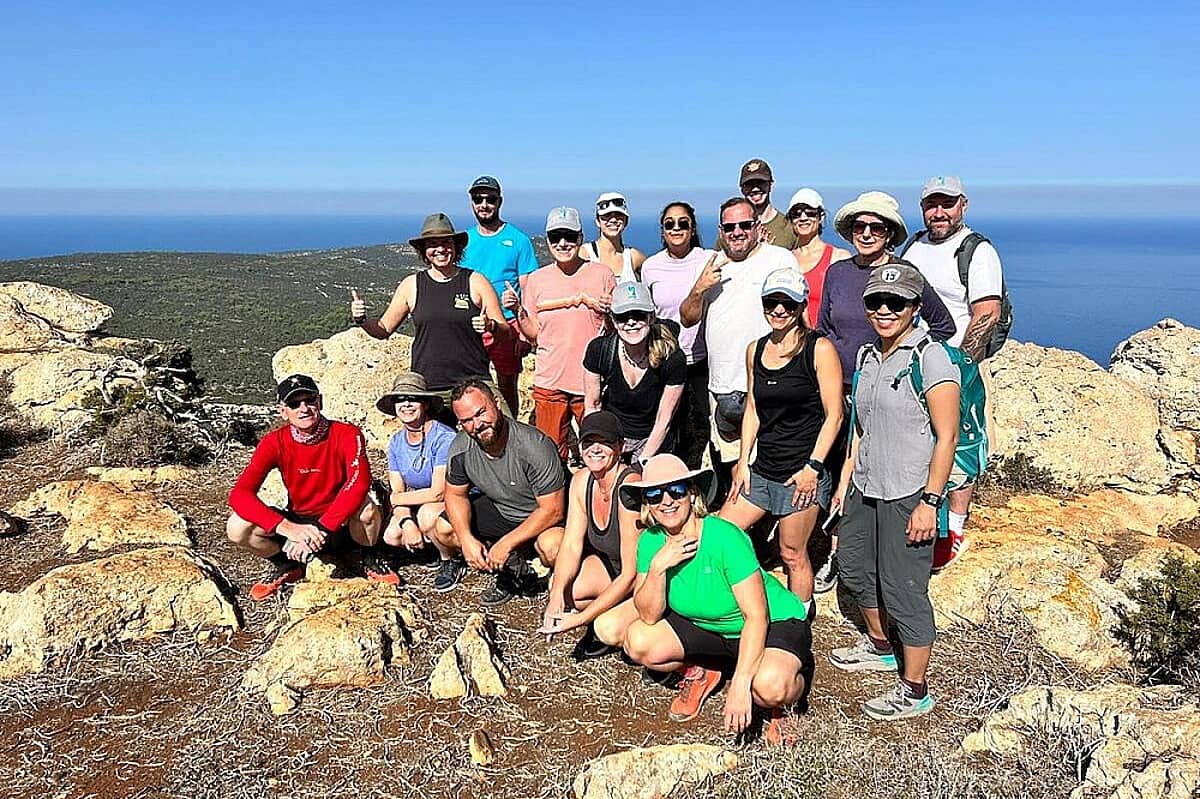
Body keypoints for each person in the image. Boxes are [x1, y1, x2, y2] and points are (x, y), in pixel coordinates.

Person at [600, 454, 813, 744]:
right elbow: (648, 615)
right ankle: (703, 669)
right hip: (708, 627)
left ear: (692, 494)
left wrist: (740, 683)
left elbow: (756, 616)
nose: (666, 501)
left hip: (770, 623)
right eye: (654, 494)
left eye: (676, 490)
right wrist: (658, 567)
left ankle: (785, 703)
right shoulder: (651, 541)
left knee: (769, 687)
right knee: (638, 641)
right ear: (646, 504)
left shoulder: (724, 537)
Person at [829, 264, 960, 721]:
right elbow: (860, 429)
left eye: (896, 303)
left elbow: (947, 437)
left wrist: (930, 501)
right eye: (875, 302)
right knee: (854, 567)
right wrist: (846, 481)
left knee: (903, 587)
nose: (884, 310)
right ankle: (881, 645)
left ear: (915, 308)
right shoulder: (868, 356)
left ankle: (914, 687)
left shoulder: (931, 358)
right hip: (866, 484)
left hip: (908, 490)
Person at [813, 192, 955, 592]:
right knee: (835, 473)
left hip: (886, 393)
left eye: (877, 227)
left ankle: (857, 558)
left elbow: (941, 326)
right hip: (837, 389)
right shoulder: (839, 273)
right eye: (860, 226)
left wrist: (905, 364)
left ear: (890, 233)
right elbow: (825, 328)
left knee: (870, 473)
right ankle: (837, 552)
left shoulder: (904, 273)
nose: (867, 233)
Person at [720, 269, 844, 619]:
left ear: (801, 304)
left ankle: (796, 620)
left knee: (791, 553)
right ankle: (738, 604)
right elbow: (754, 409)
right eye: (771, 302)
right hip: (763, 469)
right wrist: (743, 461)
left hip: (802, 471)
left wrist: (813, 468)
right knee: (722, 532)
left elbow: (834, 415)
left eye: (786, 303)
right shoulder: (755, 350)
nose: (778, 310)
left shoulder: (818, 350)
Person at [900, 176, 1007, 569]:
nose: (938, 212)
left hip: (958, 363)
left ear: (963, 204)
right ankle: (928, 513)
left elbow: (986, 313)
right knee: (924, 440)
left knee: (962, 442)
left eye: (947, 204)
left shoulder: (976, 251)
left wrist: (961, 364)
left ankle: (955, 526)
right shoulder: (913, 246)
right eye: (932, 204)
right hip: (915, 362)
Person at [679, 197, 799, 500]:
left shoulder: (779, 259)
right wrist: (700, 287)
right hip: (722, 387)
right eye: (730, 227)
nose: (737, 232)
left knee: (773, 468)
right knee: (736, 470)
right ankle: (750, 540)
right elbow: (687, 317)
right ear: (721, 229)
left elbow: (798, 315)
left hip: (768, 386)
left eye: (745, 225)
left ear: (757, 227)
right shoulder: (714, 263)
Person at [227, 374, 382, 600]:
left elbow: (359, 482)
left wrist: (322, 528)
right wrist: (288, 528)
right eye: (294, 404)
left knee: (367, 508)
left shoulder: (347, 434)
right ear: (282, 411)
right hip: (300, 520)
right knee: (237, 527)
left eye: (309, 400)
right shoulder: (273, 443)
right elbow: (240, 495)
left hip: (341, 522)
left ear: (320, 402)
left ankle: (370, 557)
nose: (304, 408)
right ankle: (286, 565)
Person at [350, 212, 511, 417]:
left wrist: (491, 326)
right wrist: (362, 320)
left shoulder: (475, 281)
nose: (440, 249)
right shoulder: (412, 285)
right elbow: (383, 329)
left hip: (475, 382)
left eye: (446, 242)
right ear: (424, 250)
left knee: (506, 433)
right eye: (433, 244)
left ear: (455, 246)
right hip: (429, 389)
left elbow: (505, 332)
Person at [438, 379, 567, 605]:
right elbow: (454, 495)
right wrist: (467, 539)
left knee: (553, 546)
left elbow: (553, 510)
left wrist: (506, 543)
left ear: (496, 403)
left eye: (481, 413)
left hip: (541, 516)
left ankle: (558, 582)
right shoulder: (461, 448)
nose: (477, 424)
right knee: (443, 528)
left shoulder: (534, 445)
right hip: (503, 510)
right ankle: (513, 571)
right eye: (467, 420)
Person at [537, 411, 642, 661]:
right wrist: (555, 599)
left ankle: (627, 614)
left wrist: (579, 619)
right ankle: (614, 606)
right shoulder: (582, 480)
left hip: (640, 578)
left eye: (604, 442)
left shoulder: (629, 485)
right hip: (609, 566)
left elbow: (631, 573)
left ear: (620, 446)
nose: (595, 449)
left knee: (605, 628)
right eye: (588, 442)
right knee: (561, 589)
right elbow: (572, 544)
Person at [517, 207, 617, 461]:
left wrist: (611, 312)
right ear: (548, 239)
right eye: (556, 236)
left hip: (591, 383)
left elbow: (617, 330)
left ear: (580, 238)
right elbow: (534, 335)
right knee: (550, 455)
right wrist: (517, 311)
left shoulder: (602, 274)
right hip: (549, 381)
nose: (563, 243)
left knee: (598, 452)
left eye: (569, 236)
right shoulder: (537, 280)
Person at [460, 175, 540, 417]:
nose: (484, 204)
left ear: (499, 201)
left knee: (507, 385)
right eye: (478, 199)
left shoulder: (518, 240)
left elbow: (530, 288)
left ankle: (510, 432)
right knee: (472, 386)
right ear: (472, 202)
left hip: (507, 323)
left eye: (490, 199)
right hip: (471, 324)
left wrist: (526, 333)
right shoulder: (464, 241)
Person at [640, 201, 712, 468]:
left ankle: (699, 491)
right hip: (665, 361)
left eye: (683, 223)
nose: (676, 228)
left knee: (701, 430)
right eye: (670, 224)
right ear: (662, 231)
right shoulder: (651, 267)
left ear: (692, 228)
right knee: (667, 428)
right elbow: (650, 314)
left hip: (701, 361)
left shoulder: (707, 259)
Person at [583, 282, 686, 464]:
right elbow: (593, 405)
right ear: (614, 321)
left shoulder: (672, 358)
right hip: (613, 436)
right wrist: (599, 445)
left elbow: (664, 419)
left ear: (651, 318)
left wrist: (643, 461)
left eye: (638, 315)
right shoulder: (599, 350)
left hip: (654, 437)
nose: (631, 322)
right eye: (623, 317)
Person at [375, 372, 458, 583]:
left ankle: (449, 559)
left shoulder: (444, 437)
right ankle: (427, 547)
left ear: (426, 404)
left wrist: (393, 501)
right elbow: (398, 490)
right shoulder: (396, 442)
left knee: (427, 514)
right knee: (392, 535)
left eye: (413, 398)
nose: (406, 404)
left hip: (450, 501)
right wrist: (406, 522)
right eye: (400, 399)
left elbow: (438, 492)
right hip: (418, 502)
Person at [786, 188, 851, 329]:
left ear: (820, 217)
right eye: (796, 214)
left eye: (810, 213)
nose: (803, 218)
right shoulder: (784, 259)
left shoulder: (838, 258)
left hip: (825, 342)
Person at [716, 159, 796, 252]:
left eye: (761, 182)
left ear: (771, 185)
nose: (755, 188)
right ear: (742, 189)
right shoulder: (731, 228)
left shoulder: (788, 227)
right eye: (749, 184)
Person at [582, 192, 646, 283]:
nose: (613, 220)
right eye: (606, 215)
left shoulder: (634, 257)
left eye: (618, 215)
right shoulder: (584, 254)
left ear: (626, 221)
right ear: (597, 221)